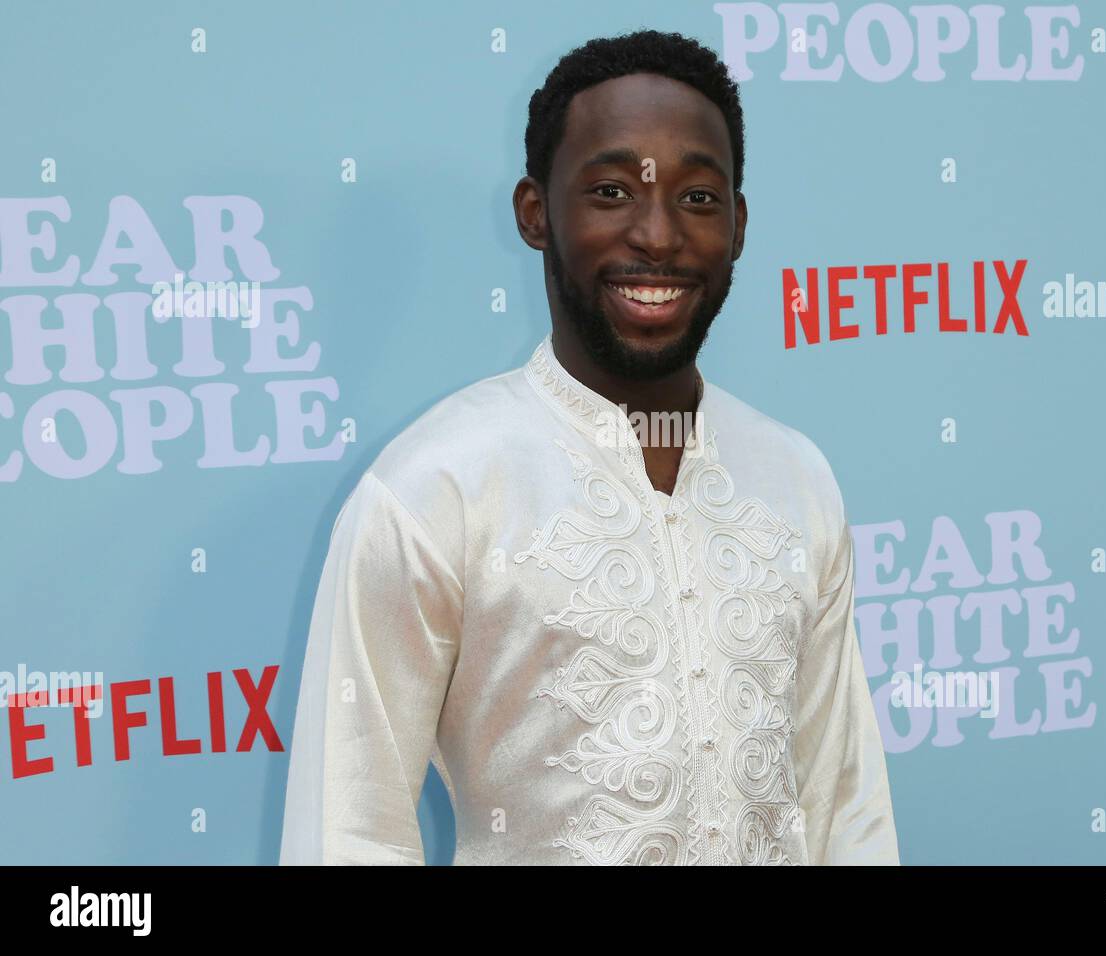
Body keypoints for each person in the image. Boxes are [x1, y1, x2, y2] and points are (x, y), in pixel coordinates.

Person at [279, 29, 899, 866]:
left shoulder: (795, 477)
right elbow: (347, 830)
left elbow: (842, 807)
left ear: (740, 225)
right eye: (610, 191)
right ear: (536, 214)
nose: (658, 235)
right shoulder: (435, 488)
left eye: (699, 198)